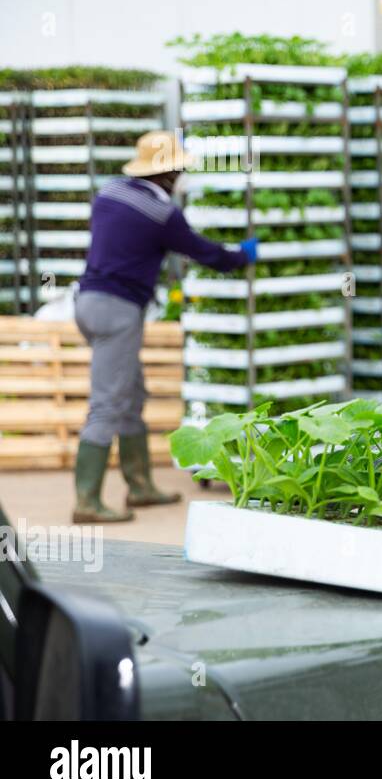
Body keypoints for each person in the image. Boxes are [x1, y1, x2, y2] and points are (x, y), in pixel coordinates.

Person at [72, 130, 256, 523]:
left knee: (132, 395)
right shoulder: (161, 213)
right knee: (106, 405)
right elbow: (203, 252)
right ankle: (87, 502)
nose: (181, 176)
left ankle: (140, 487)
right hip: (118, 310)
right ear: (167, 173)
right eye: (178, 169)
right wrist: (241, 255)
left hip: (87, 302)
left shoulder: (109, 192)